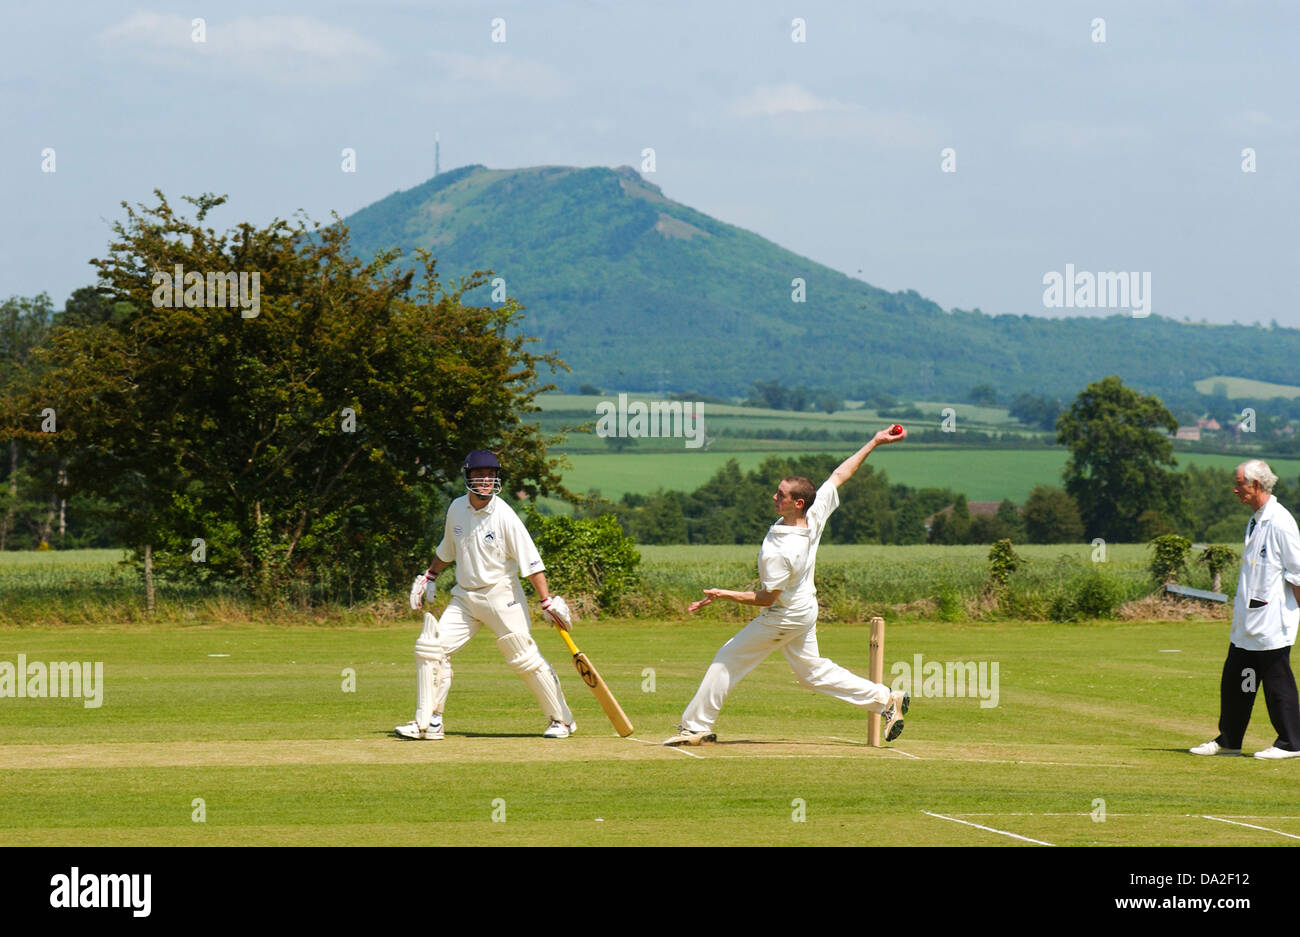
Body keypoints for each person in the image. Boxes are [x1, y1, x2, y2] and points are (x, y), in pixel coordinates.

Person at [663, 426, 910, 746]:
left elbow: (767, 598)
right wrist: (875, 442)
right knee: (811, 674)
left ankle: (695, 726)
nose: (774, 497)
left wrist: (724, 594)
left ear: (798, 503)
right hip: (805, 607)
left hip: (785, 615)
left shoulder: (782, 551)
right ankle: (885, 699)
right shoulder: (815, 510)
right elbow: (839, 474)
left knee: (728, 658)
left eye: (781, 494)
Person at [395, 449, 578, 740]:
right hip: (465, 599)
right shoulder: (456, 508)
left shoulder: (505, 516)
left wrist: (545, 601)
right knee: (431, 648)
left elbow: (531, 562)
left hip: (502, 597)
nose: (486, 481)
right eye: (480, 475)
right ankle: (431, 721)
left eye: (491, 476)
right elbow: (447, 549)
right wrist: (430, 575)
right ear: (468, 477)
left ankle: (560, 721)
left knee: (524, 657)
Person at [1191, 459, 1300, 759]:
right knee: (1236, 681)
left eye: (1239, 483)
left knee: (1277, 682)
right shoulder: (1254, 520)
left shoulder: (1280, 522)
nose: (1235, 489)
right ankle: (1230, 741)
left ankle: (1291, 743)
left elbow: (1298, 574)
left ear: (1255, 485)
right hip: (1247, 622)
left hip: (1271, 622)